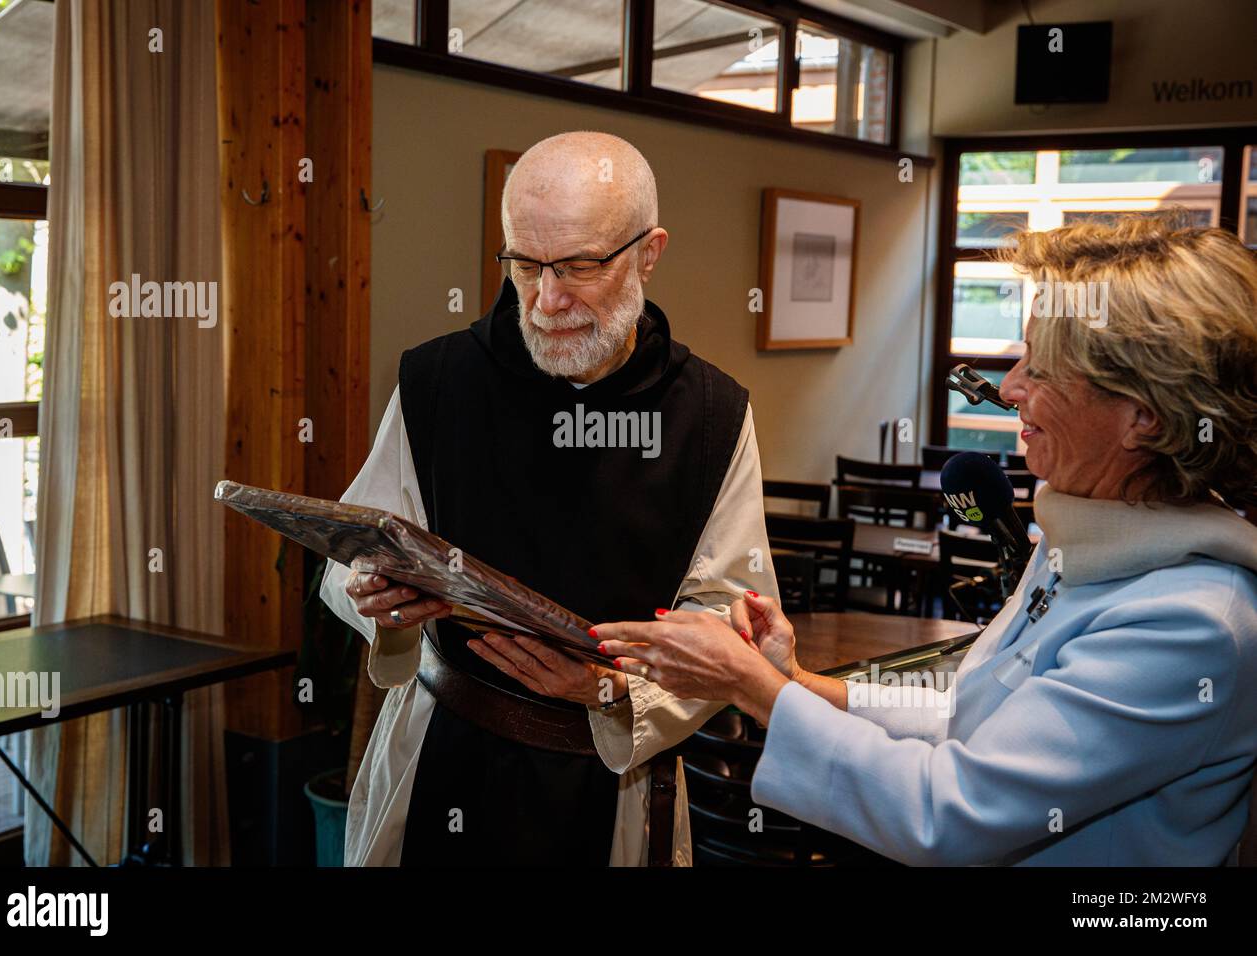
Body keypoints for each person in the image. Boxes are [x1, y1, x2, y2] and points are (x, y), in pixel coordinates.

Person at [596, 216, 1257, 865]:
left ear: (1142, 414)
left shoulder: (1189, 623)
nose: (1009, 387)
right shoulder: (1086, 538)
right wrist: (790, 680)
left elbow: (952, 810)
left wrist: (753, 689)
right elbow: (965, 714)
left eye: (1044, 368)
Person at [320, 130, 777, 866]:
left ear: (649, 253)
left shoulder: (711, 414)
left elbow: (729, 616)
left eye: (580, 265)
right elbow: (353, 554)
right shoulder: (440, 382)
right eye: (525, 265)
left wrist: (610, 691)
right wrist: (376, 596)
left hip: (615, 776)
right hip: (443, 747)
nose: (547, 299)